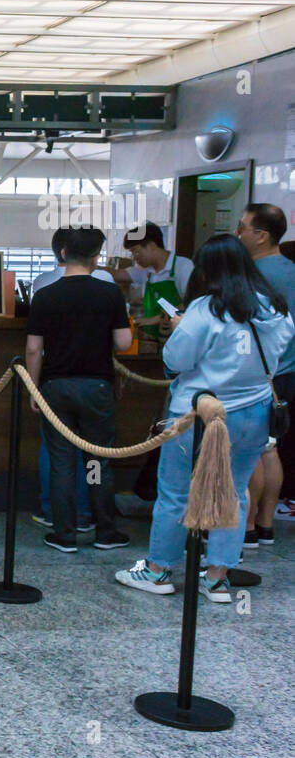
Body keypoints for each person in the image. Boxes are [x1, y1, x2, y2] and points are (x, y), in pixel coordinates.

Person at [117, 234, 294, 603]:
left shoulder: (205, 309)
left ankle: (158, 569)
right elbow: (276, 355)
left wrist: (181, 328)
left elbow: (176, 361)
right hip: (254, 413)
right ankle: (217, 578)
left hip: (196, 414)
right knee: (234, 490)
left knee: (176, 493)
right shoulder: (275, 308)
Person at [25, 225, 133, 552]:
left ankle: (64, 534)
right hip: (97, 386)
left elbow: (32, 349)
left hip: (56, 387)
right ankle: (105, 532)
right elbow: (124, 342)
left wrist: (34, 390)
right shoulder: (109, 292)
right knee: (97, 461)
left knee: (61, 462)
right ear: (96, 256)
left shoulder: (45, 295)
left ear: (62, 253)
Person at [235, 203, 295, 549]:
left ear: (261, 236)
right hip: (286, 371)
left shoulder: (255, 276)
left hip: (261, 375)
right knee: (270, 449)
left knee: (250, 451)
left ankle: (247, 527)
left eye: (242, 228)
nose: (238, 233)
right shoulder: (290, 269)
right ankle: (267, 523)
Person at [106, 222, 193, 338]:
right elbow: (117, 275)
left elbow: (192, 303)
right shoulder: (145, 271)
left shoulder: (183, 266)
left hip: (176, 337)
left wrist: (157, 319)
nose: (134, 257)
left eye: (136, 251)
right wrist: (87, 263)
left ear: (152, 246)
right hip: (151, 338)